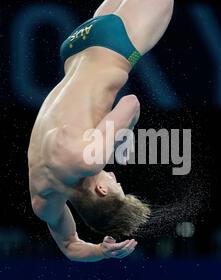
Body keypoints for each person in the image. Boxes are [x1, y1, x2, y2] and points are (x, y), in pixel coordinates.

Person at [28, 0, 174, 262]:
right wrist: (99, 251)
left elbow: (131, 104)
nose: (115, 177)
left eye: (116, 186)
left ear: (102, 191)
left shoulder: (90, 159)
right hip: (75, 47)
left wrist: (123, 135)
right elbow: (69, 245)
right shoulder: (45, 199)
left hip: (114, 45)